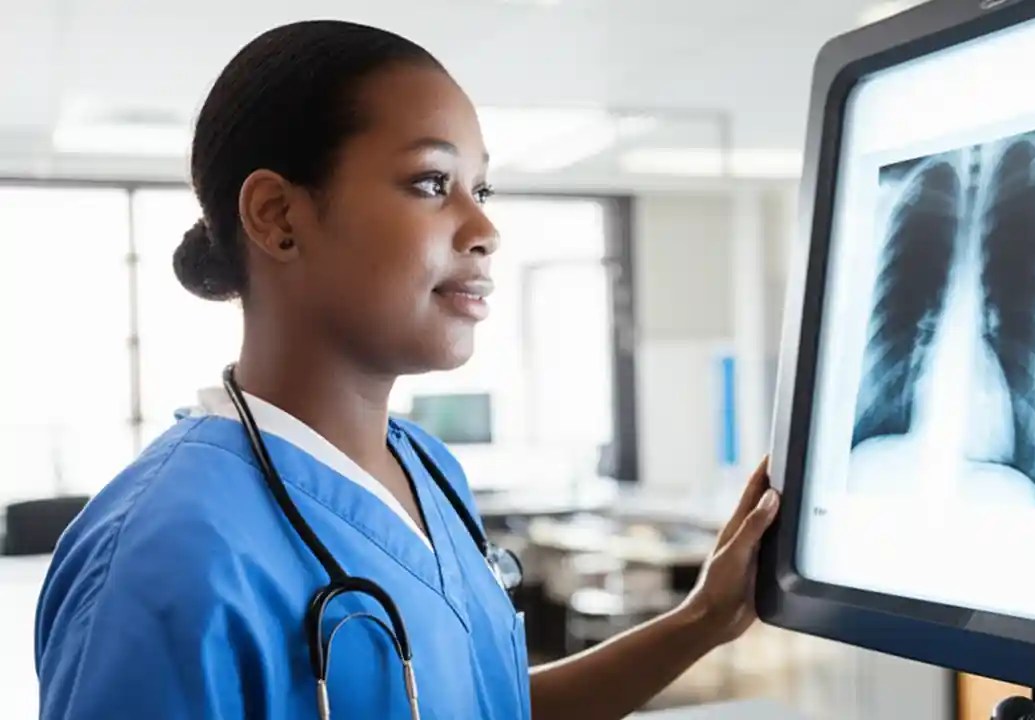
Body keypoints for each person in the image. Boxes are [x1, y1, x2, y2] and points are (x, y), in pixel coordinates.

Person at [33, 20, 780, 720]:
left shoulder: (429, 471)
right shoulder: (163, 556)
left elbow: (482, 703)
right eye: (431, 183)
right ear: (278, 218)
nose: (485, 229)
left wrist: (703, 619)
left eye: (480, 190)